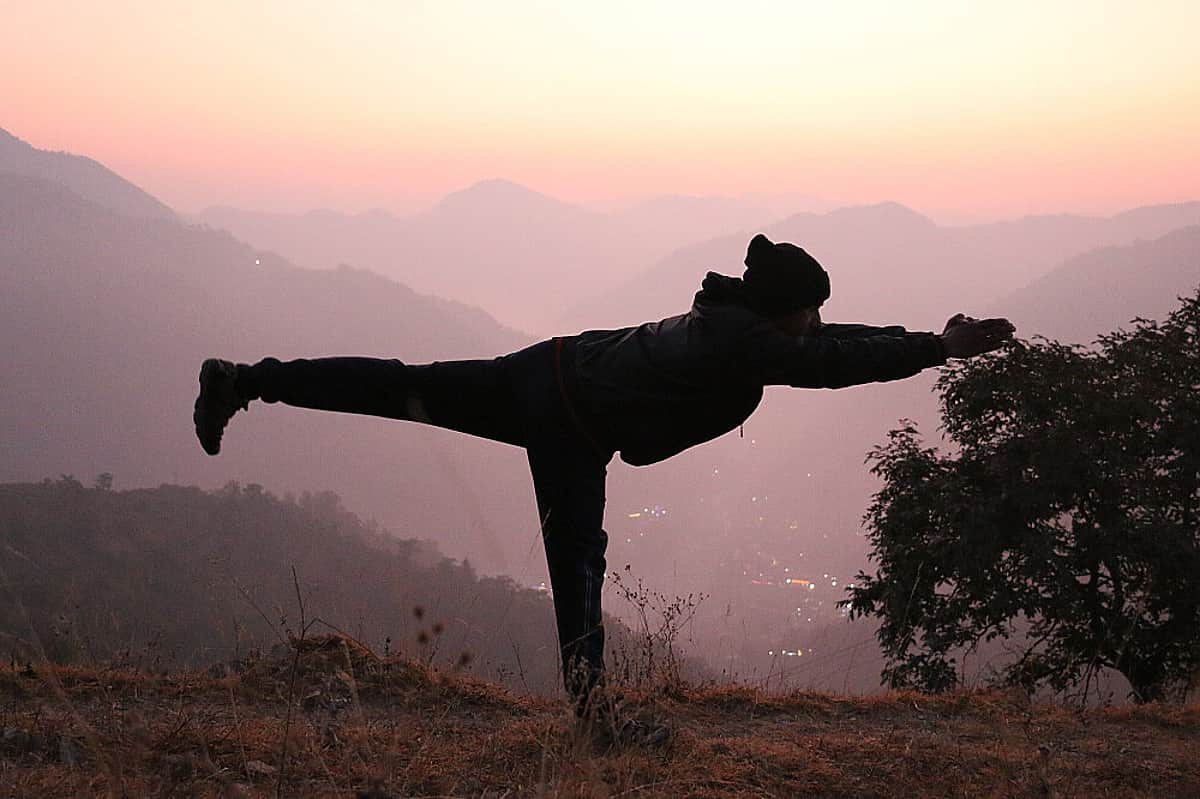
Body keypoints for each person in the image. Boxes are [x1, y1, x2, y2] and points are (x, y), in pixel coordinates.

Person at [193, 233, 1014, 739]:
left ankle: (247, 379)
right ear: (782, 313)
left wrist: (930, 337)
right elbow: (833, 362)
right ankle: (593, 719)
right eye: (808, 311)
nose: (815, 322)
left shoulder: (736, 321)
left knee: (405, 387)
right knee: (579, 557)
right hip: (569, 423)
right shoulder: (747, 346)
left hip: (544, 369)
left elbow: (833, 341)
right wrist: (937, 352)